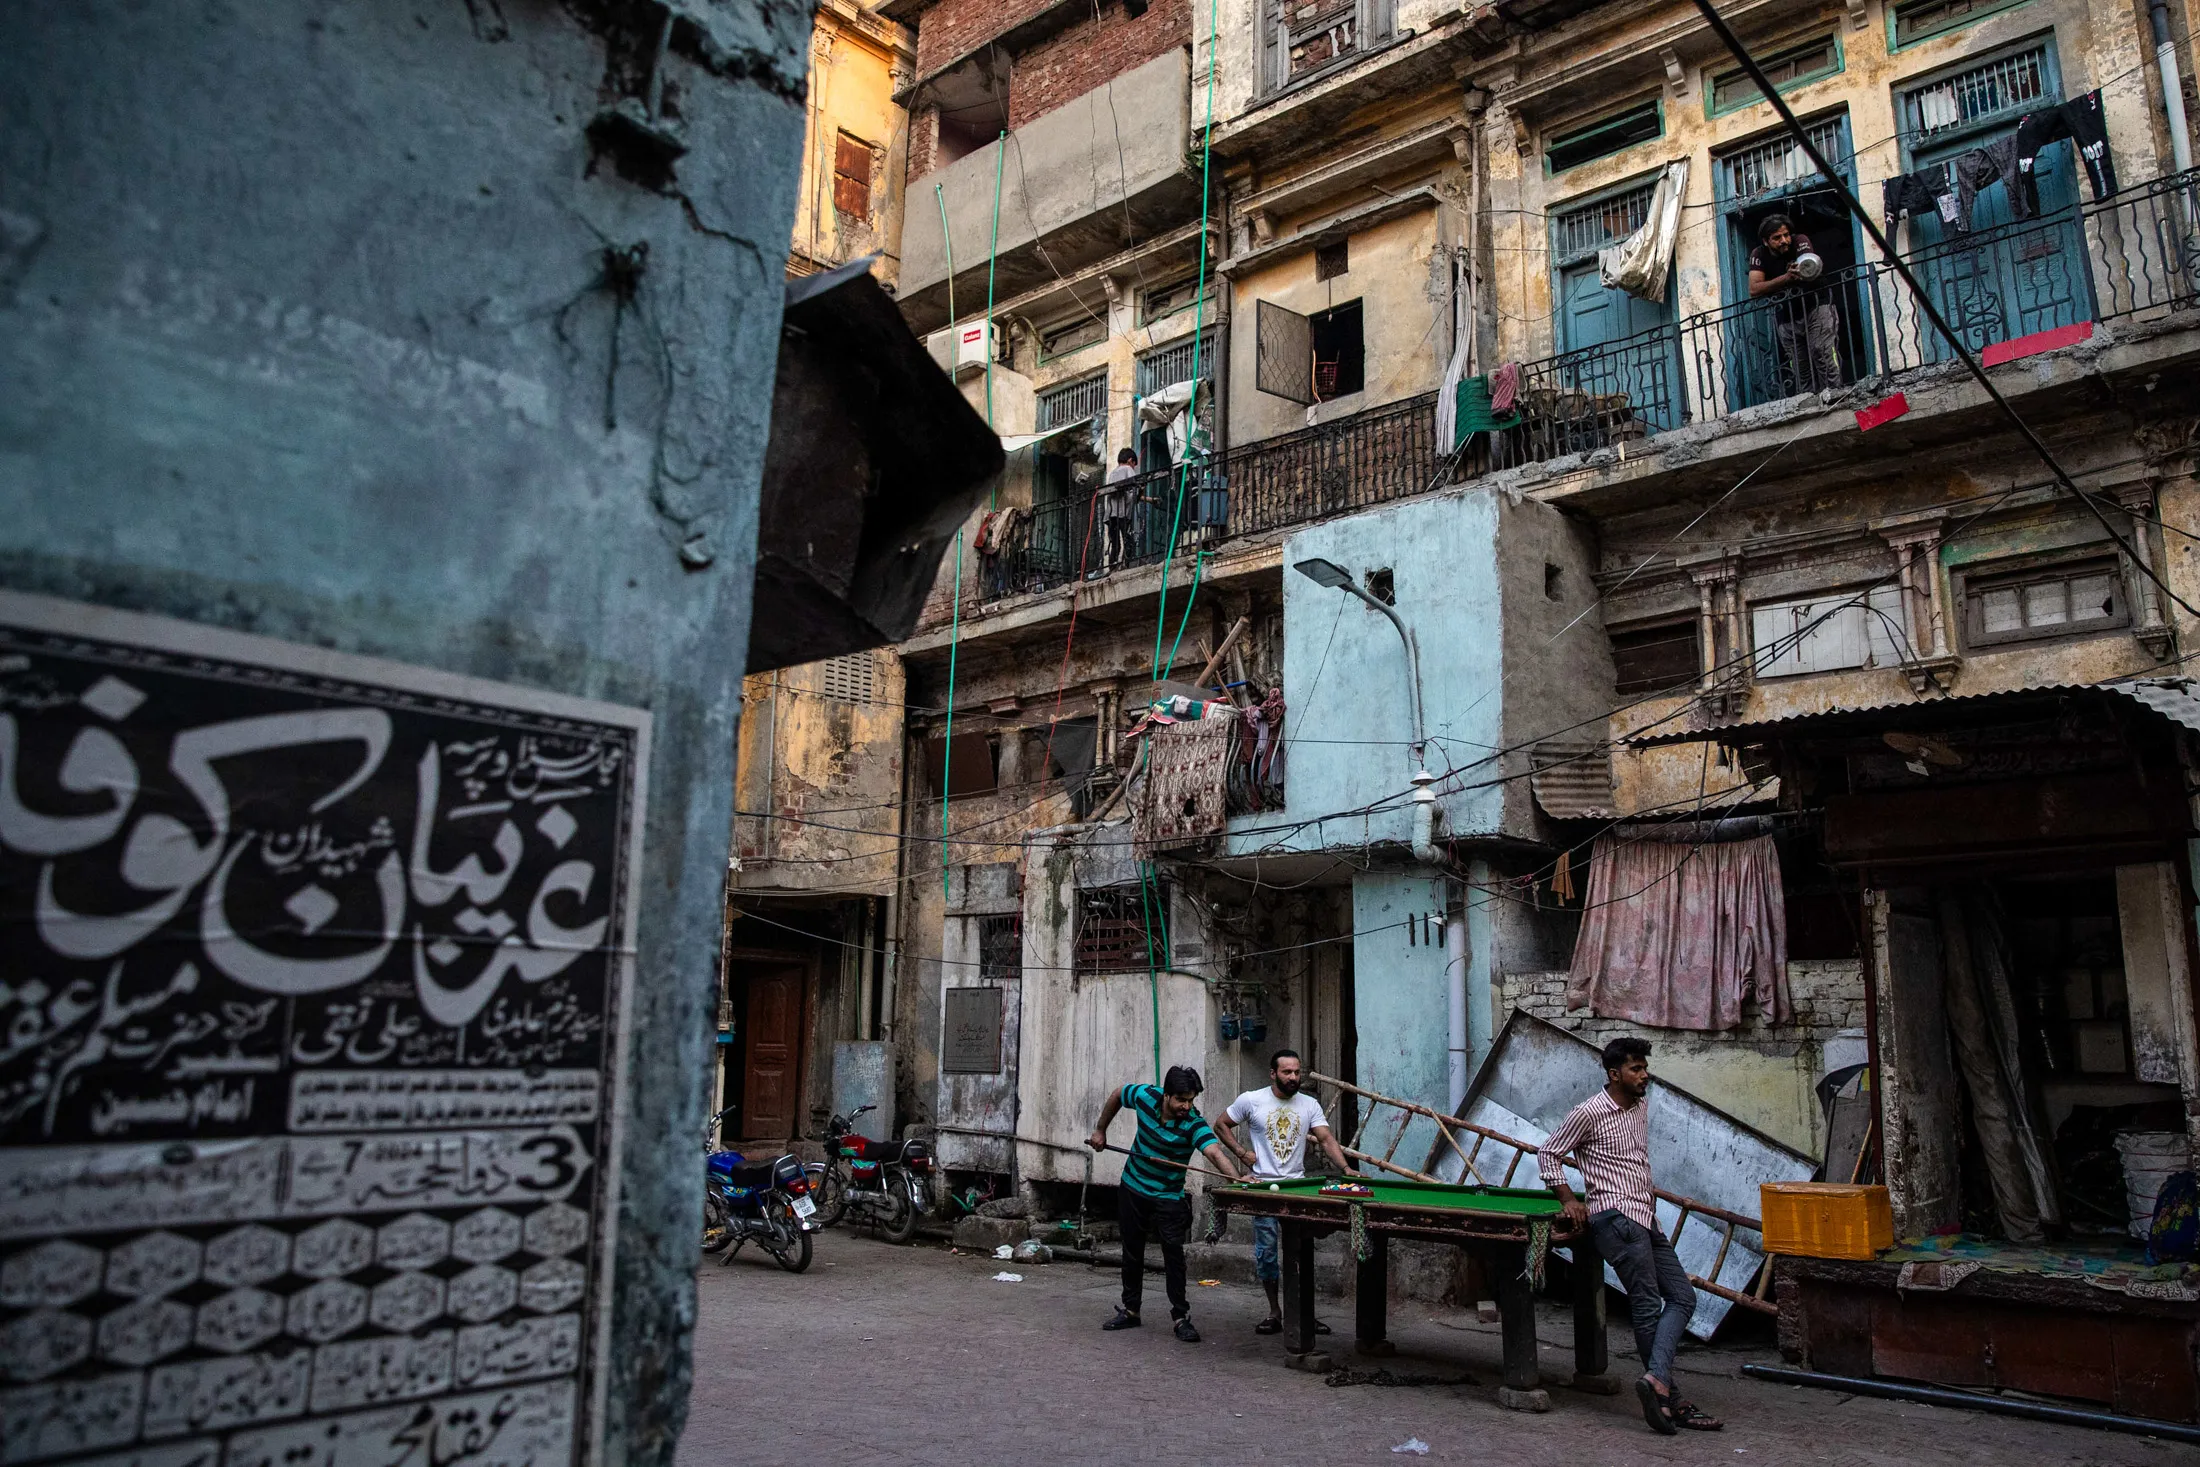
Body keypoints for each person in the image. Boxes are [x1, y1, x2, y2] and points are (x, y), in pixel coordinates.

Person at [1539, 1036, 1723, 1436]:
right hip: (1616, 1218)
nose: (1644, 1075)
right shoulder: (1589, 1112)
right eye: (1636, 1069)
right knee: (1645, 1306)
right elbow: (1549, 1152)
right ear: (1613, 1074)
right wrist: (1570, 1200)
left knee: (1682, 1296)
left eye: (1645, 1068)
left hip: (1644, 1216)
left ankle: (1657, 1380)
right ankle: (1668, 1397)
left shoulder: (1639, 1105)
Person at [1088, 1065, 1244, 1342]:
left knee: (1174, 1257)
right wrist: (1100, 1130)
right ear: (1166, 1096)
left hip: (1169, 1197)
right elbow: (1117, 1094)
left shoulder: (1193, 1123)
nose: (1187, 1106)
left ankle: (1180, 1317)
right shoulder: (1145, 1096)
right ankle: (1131, 1310)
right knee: (1132, 1251)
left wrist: (1239, 1182)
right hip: (1133, 1187)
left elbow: (1214, 1153)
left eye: (1191, 1101)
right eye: (1181, 1100)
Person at [1214, 1049, 1351, 1335]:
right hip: (1263, 1188)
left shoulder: (1309, 1104)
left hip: (1297, 1189)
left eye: (1297, 1072)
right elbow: (1221, 1124)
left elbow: (1325, 1139)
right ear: (1273, 1073)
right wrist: (1241, 1153)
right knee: (1266, 1255)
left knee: (1300, 1254)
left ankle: (1302, 1313)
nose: (1293, 1077)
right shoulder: (1252, 1100)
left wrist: (1346, 1169)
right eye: (1287, 1072)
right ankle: (1275, 1312)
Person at [1747, 212, 1842, 396]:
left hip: (1817, 305)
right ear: (1766, 241)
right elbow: (1754, 289)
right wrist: (1786, 278)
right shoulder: (1758, 254)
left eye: (1786, 235)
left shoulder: (1800, 240)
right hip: (1787, 316)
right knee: (1799, 364)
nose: (1784, 240)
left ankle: (1836, 394)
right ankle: (1807, 400)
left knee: (1821, 350)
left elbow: (1808, 266)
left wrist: (1798, 271)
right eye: (1777, 238)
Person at [1097, 448, 1139, 572]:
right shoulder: (1128, 469)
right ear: (1131, 461)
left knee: (1115, 543)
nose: (1134, 467)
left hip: (1111, 514)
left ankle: (1112, 567)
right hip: (1122, 513)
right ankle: (1128, 564)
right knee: (1128, 540)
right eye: (1134, 464)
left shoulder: (1113, 473)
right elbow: (1132, 491)